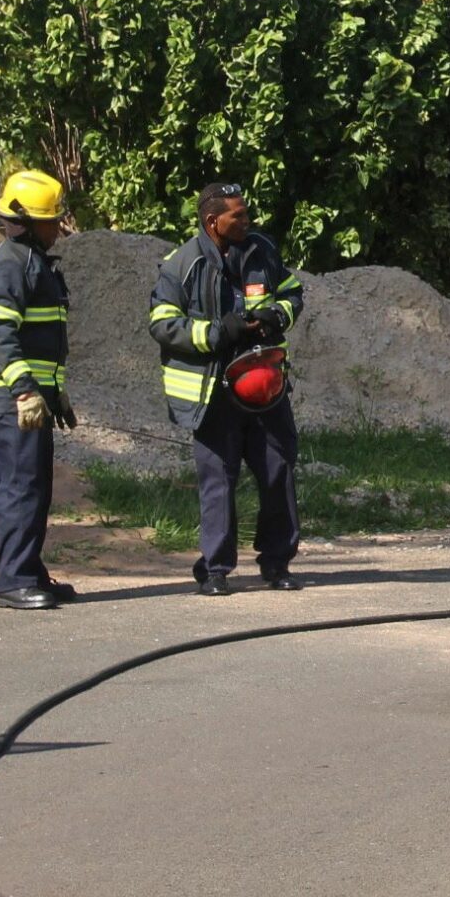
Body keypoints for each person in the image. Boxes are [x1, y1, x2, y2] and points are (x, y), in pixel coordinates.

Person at [148, 182, 308, 595]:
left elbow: (292, 291)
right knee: (218, 480)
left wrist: (278, 315)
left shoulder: (262, 250)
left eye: (246, 211)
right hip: (214, 394)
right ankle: (215, 569)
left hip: (265, 389)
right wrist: (218, 332)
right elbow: (164, 325)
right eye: (237, 215)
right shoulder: (181, 264)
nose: (247, 219)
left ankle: (277, 563)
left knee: (278, 471)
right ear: (212, 221)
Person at [0, 170, 77, 611]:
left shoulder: (32, 263)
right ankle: (13, 582)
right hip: (8, 398)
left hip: (29, 398)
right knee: (20, 488)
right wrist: (23, 390)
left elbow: (43, 343)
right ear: (28, 221)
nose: (59, 229)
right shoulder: (11, 265)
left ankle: (29, 571)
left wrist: (55, 394)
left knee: (34, 488)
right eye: (52, 221)